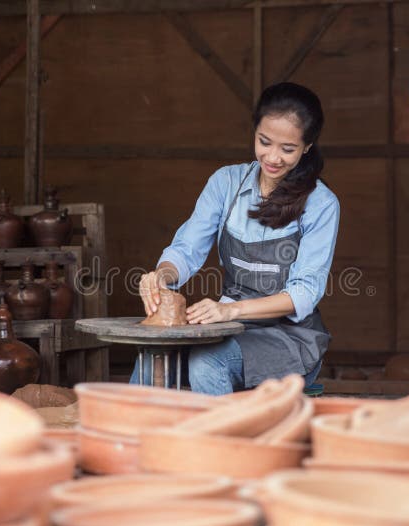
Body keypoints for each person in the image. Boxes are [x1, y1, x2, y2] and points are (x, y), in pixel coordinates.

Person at [133, 82, 340, 395]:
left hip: (289, 338)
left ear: (307, 147)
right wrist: (162, 275)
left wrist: (230, 311)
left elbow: (304, 295)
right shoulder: (225, 183)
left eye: (288, 149)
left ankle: (221, 444)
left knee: (207, 362)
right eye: (264, 142)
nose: (272, 157)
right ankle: (136, 441)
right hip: (229, 325)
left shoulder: (321, 204)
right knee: (153, 355)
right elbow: (187, 250)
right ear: (255, 131)